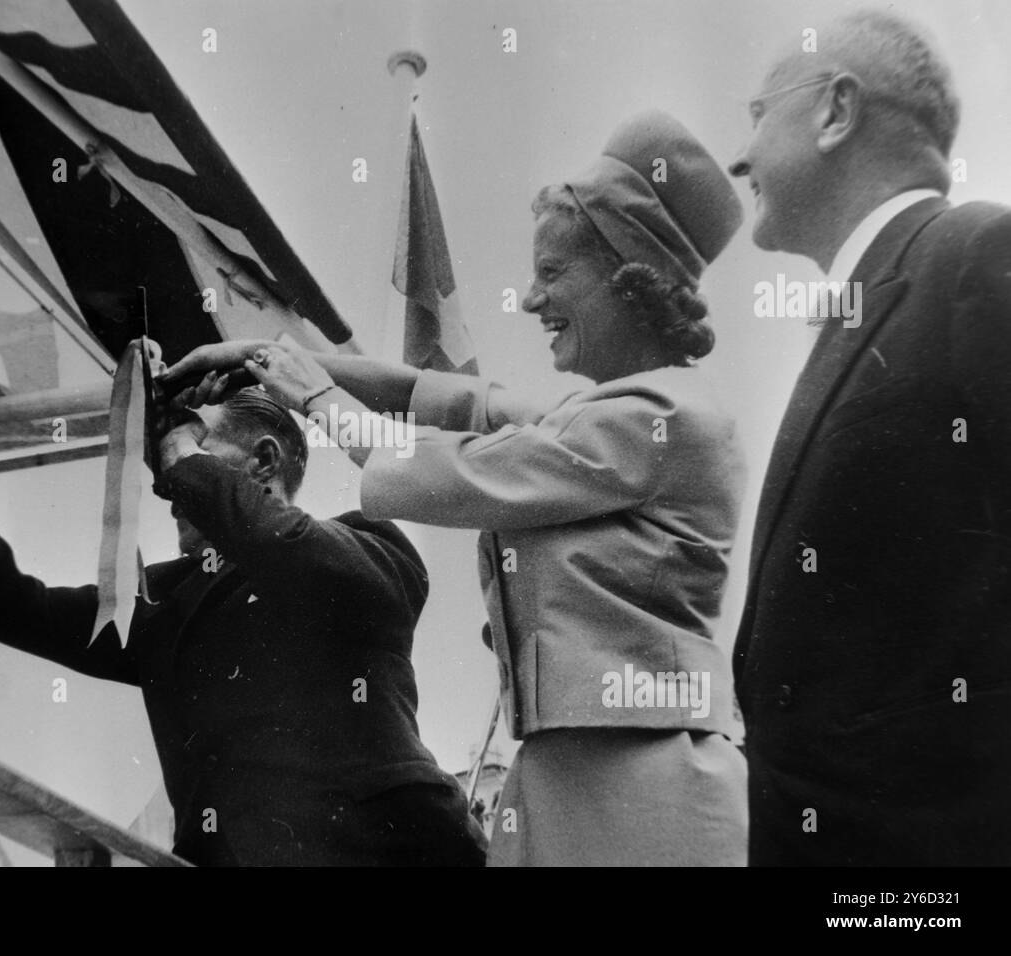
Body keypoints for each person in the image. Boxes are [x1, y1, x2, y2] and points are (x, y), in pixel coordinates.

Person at [165, 110, 749, 866]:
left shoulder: (667, 418)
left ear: (626, 276)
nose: (532, 300)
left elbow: (462, 470)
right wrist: (265, 357)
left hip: (648, 791)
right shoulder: (604, 418)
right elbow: (436, 395)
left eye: (553, 273)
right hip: (569, 777)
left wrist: (314, 398)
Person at [0, 384, 487, 866]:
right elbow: (9, 606)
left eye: (188, 453)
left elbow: (282, 543)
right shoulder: (164, 602)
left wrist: (181, 446)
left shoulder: (369, 546)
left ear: (263, 461)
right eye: (164, 466)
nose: (167, 485)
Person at [727, 9, 1011, 865]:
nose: (740, 158)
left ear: (834, 112)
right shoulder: (870, 303)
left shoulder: (974, 255)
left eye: (756, 115)